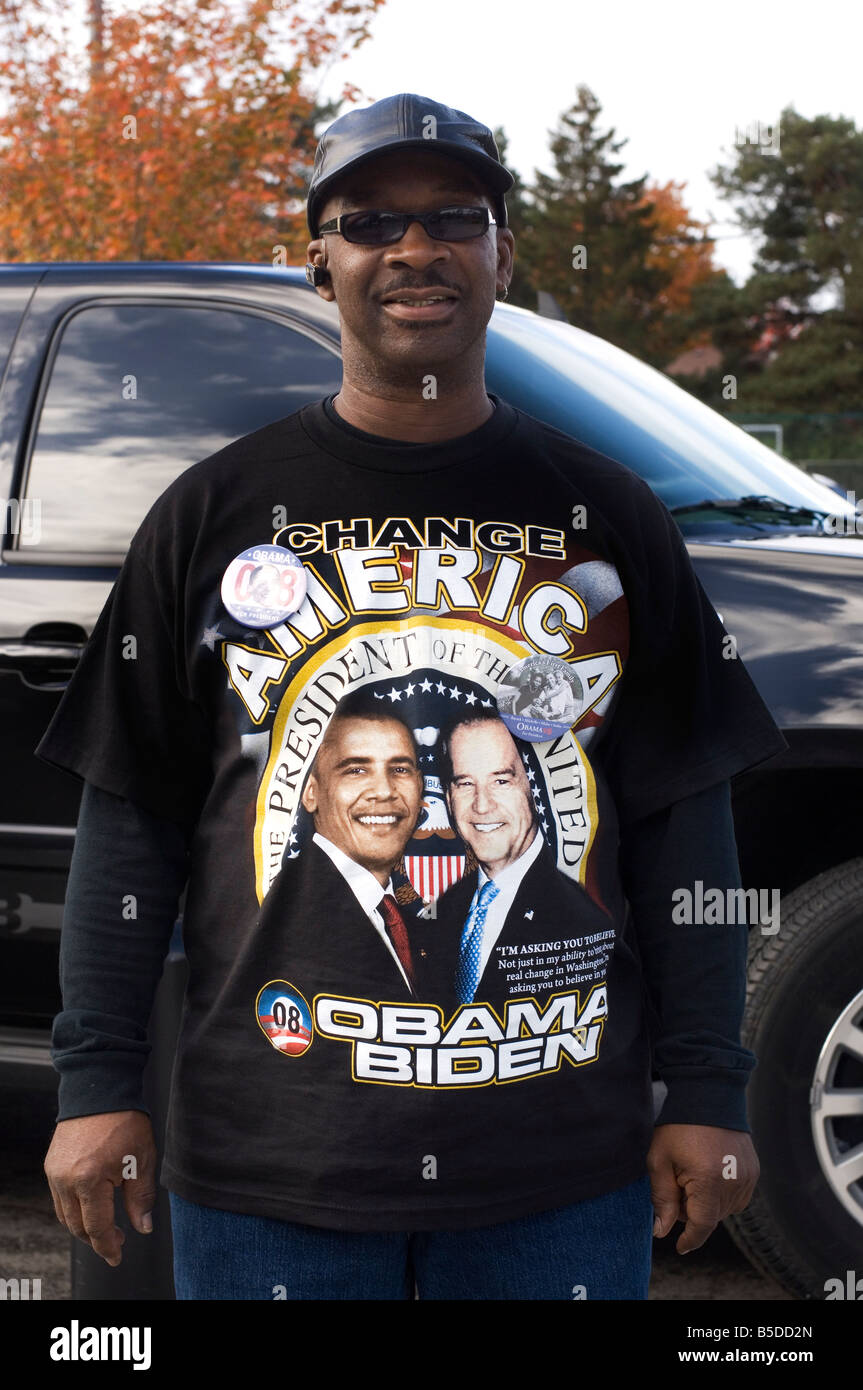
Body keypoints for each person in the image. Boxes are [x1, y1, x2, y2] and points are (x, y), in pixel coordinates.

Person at [38, 92, 788, 1301]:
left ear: (502, 253)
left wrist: (707, 1089)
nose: (413, 248)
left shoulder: (608, 514)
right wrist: (96, 1085)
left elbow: (681, 822)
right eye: (369, 221)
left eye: (453, 215)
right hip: (269, 1175)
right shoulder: (209, 513)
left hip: (559, 1174)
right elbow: (130, 830)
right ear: (318, 259)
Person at [431, 711, 612, 1006]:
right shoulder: (445, 909)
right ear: (448, 797)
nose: (482, 805)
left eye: (501, 781)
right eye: (464, 783)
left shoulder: (578, 918)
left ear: (532, 789)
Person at [290, 698, 426, 995]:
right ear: (310, 791)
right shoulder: (288, 910)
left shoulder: (416, 914)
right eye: (356, 770)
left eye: (400, 769)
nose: (384, 791)